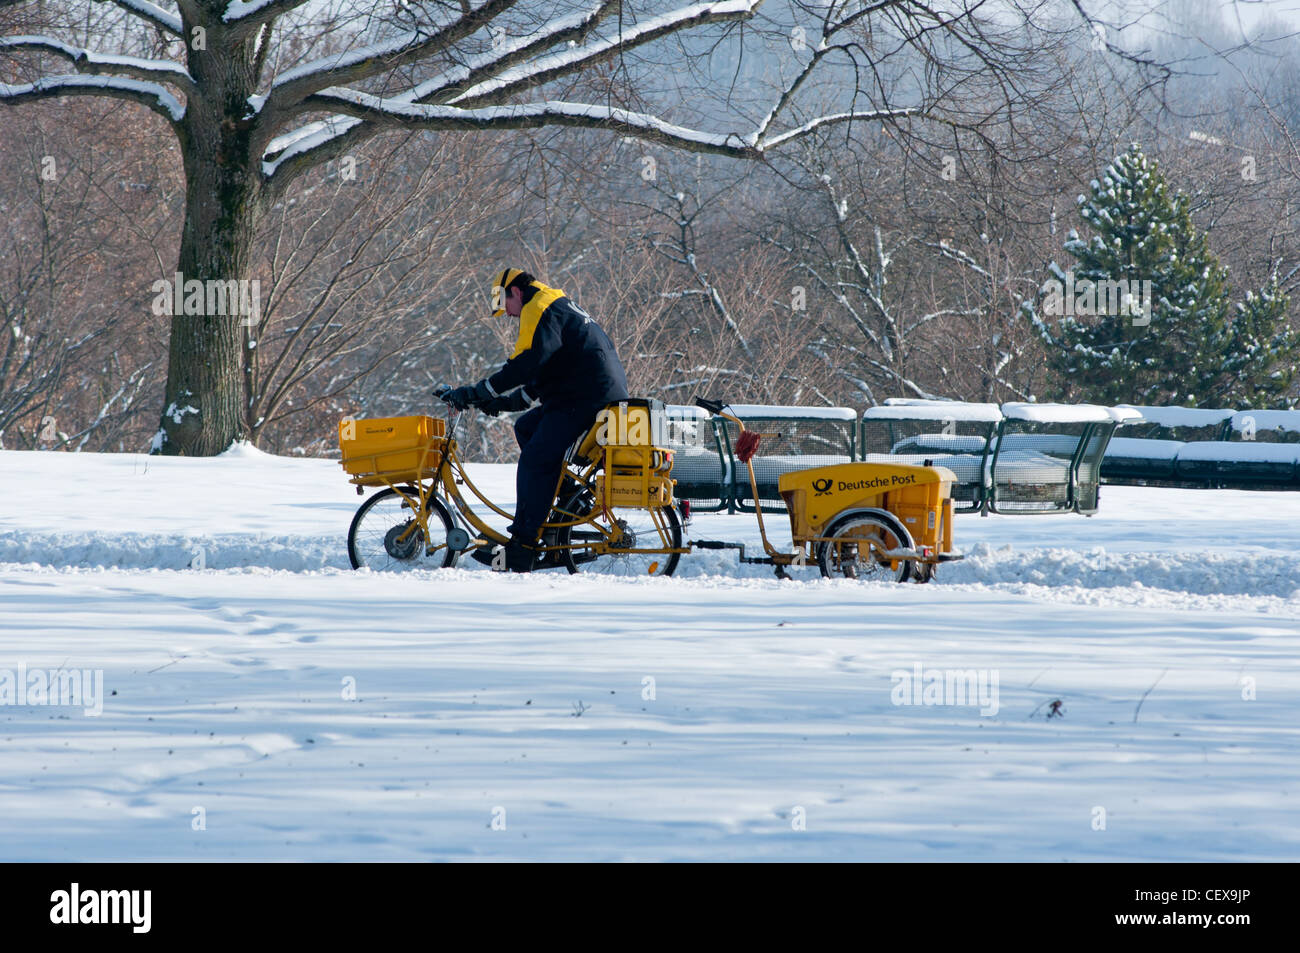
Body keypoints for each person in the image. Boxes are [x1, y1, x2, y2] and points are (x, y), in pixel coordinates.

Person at [442, 268, 629, 572]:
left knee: (534, 460)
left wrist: (477, 391)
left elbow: (528, 364)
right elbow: (548, 367)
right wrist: (503, 402)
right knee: (526, 427)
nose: (509, 315)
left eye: (505, 306)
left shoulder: (537, 307)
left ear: (515, 292)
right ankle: (564, 505)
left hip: (585, 398)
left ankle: (524, 545)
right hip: (589, 393)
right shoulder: (554, 303)